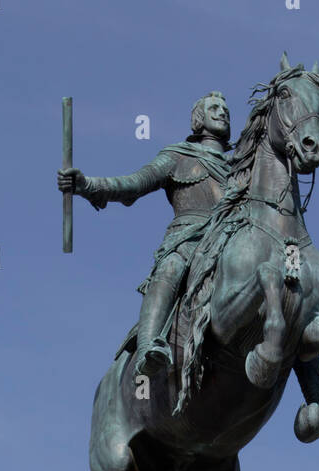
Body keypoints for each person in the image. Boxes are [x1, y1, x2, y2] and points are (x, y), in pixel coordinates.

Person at [57, 92, 232, 378]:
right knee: (172, 266)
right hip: (187, 239)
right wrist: (87, 184)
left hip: (229, 240)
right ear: (198, 118)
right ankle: (150, 346)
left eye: (226, 109)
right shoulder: (178, 156)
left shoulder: (238, 169)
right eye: (214, 108)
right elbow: (133, 184)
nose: (222, 113)